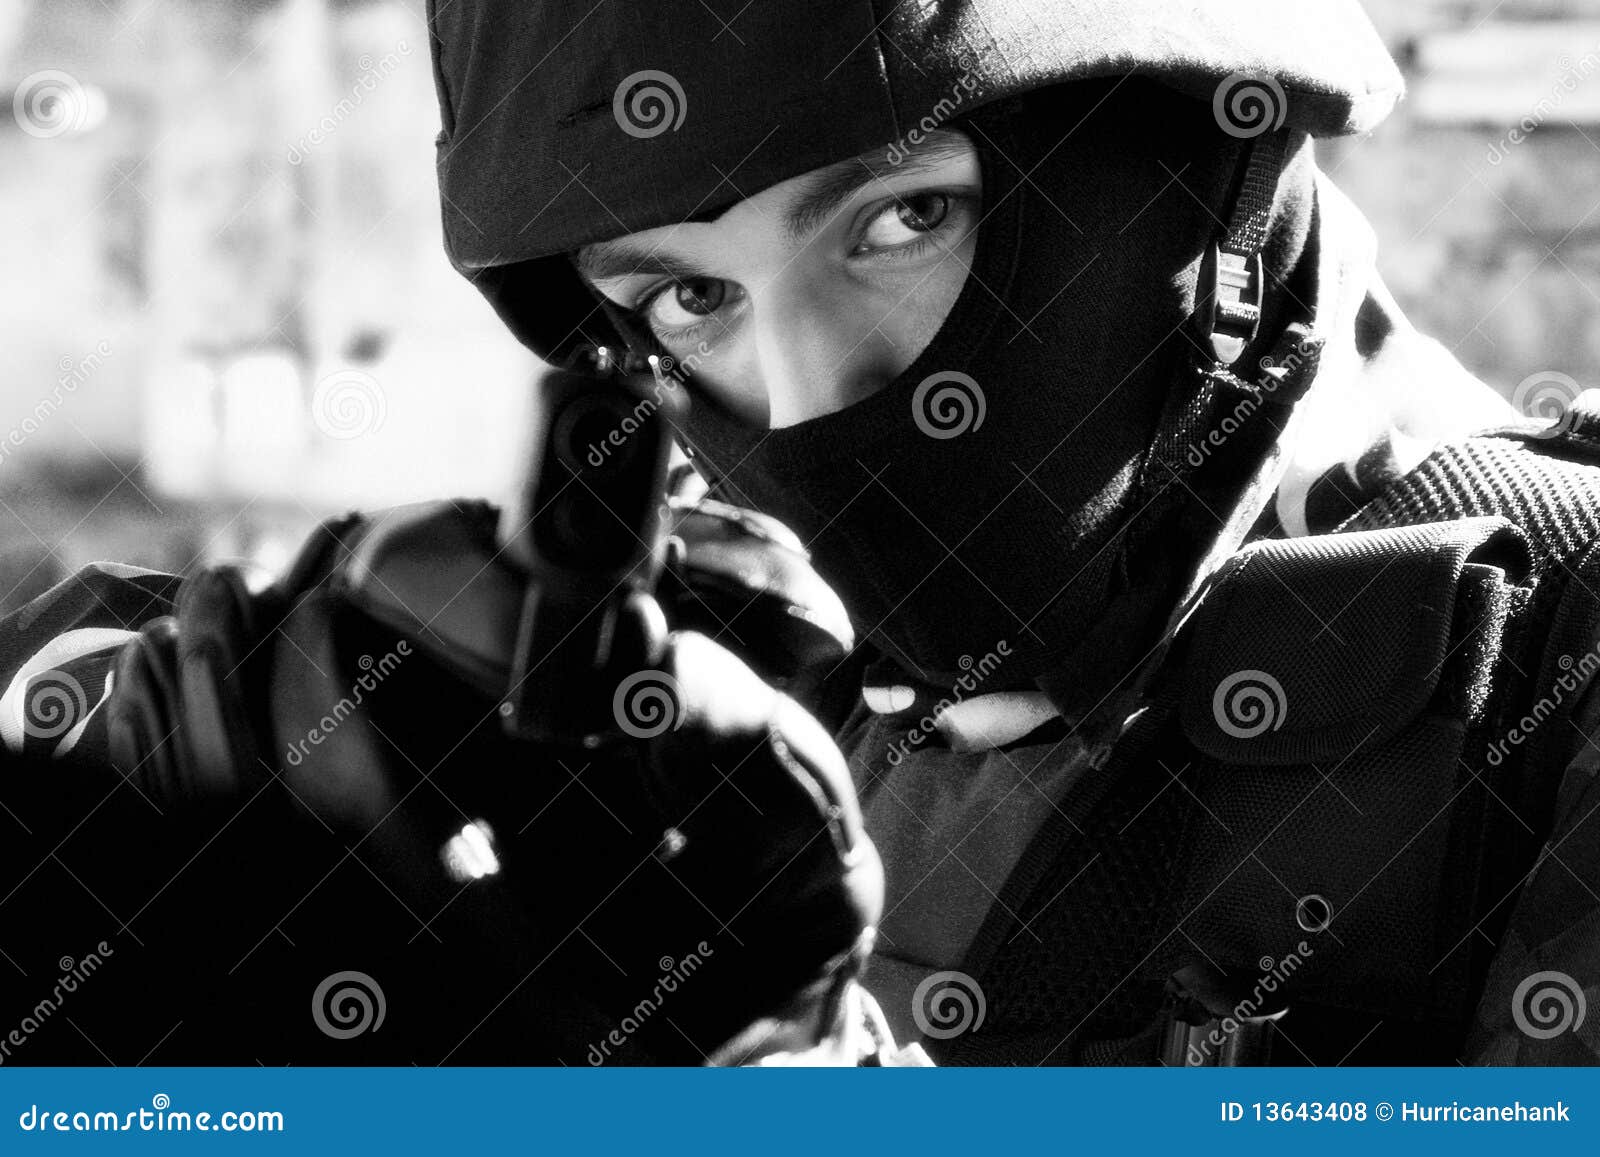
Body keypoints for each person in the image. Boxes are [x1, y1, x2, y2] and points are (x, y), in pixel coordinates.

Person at [2, 0, 1596, 1066]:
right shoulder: (693, 661)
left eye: (903, 216)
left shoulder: (1558, 676)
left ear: (1190, 152)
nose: (803, 393)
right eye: (691, 296)